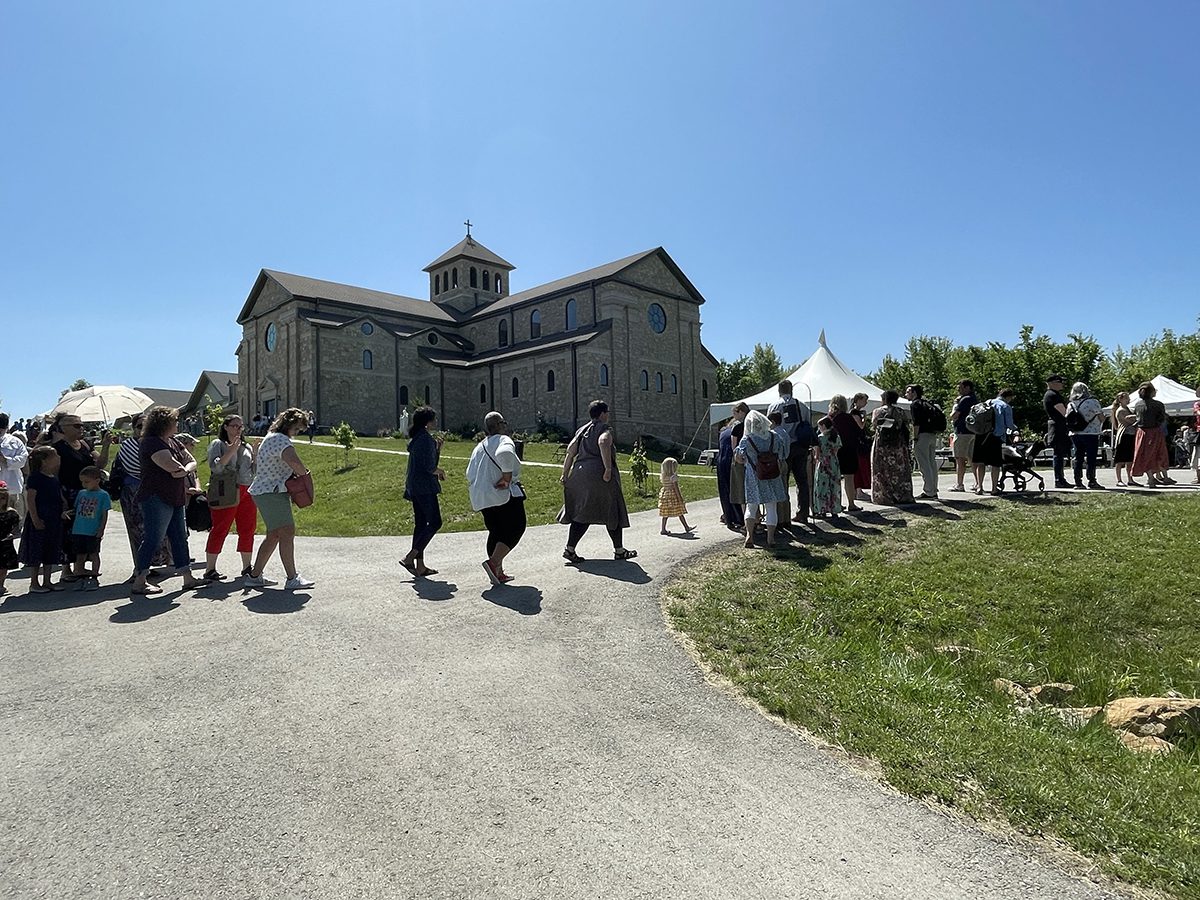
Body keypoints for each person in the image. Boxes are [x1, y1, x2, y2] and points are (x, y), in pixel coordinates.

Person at [130, 406, 203, 596]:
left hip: (175, 495)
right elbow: (172, 466)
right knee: (154, 538)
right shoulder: (150, 443)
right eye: (175, 421)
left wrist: (184, 470)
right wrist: (184, 469)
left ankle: (188, 577)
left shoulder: (173, 442)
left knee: (179, 537)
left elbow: (191, 461)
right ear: (164, 423)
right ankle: (140, 580)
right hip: (156, 497)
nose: (177, 424)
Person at [245, 407, 315, 589]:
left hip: (266, 491)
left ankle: (254, 576)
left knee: (274, 535)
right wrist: (306, 477)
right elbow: (293, 462)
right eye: (297, 429)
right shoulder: (281, 440)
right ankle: (292, 578)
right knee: (287, 531)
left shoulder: (272, 437)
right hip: (272, 492)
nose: (297, 433)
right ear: (290, 425)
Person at [558, 400, 636, 562]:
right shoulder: (604, 428)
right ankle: (619, 550)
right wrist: (607, 468)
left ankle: (570, 549)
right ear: (602, 414)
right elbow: (603, 442)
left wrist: (565, 473)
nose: (608, 415)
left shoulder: (582, 430)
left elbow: (570, 450)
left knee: (583, 512)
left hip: (579, 474)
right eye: (607, 412)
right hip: (598, 474)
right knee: (612, 510)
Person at [466, 411, 525, 585]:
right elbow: (505, 454)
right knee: (516, 527)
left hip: (481, 496)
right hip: (501, 494)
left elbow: (469, 472)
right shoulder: (503, 440)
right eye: (504, 423)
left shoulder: (478, 447)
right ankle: (493, 563)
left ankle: (497, 572)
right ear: (499, 425)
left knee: (496, 531)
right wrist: (506, 477)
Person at [52, 413, 112, 582]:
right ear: (64, 428)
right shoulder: (58, 447)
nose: (81, 428)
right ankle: (66, 568)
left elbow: (99, 465)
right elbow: (55, 474)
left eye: (82, 425)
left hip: (87, 491)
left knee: (86, 528)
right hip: (68, 492)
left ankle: (81, 565)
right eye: (76, 426)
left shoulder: (85, 444)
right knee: (69, 530)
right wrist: (61, 498)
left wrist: (106, 445)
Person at [116, 413, 173, 578]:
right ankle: (139, 570)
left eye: (146, 425)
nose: (143, 429)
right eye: (139, 426)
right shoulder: (128, 445)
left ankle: (148, 565)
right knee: (137, 530)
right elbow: (139, 468)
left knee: (153, 530)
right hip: (133, 491)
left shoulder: (158, 442)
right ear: (133, 429)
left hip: (155, 490)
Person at [204, 414, 258, 581]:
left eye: (241, 426)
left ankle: (247, 567)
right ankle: (210, 569)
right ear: (225, 426)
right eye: (234, 426)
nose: (238, 429)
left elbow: (253, 471)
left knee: (248, 528)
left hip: (247, 490)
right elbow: (216, 468)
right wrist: (230, 452)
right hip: (226, 490)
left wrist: (255, 455)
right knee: (221, 528)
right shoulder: (218, 444)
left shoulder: (246, 446)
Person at [400, 406, 445, 577]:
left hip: (414, 487)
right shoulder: (425, 439)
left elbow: (429, 462)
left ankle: (420, 566)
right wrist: (440, 472)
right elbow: (429, 468)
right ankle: (410, 557)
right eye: (433, 419)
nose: (435, 422)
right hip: (425, 488)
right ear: (427, 422)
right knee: (435, 522)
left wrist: (438, 449)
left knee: (420, 524)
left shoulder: (418, 438)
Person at [735, 410, 788, 548]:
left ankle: (749, 536)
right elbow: (782, 455)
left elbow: (739, 458)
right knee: (771, 507)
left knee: (751, 506)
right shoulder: (774, 437)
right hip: (772, 474)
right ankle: (771, 538)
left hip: (754, 476)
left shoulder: (747, 439)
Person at [20, 446, 67, 593]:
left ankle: (47, 580)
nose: (58, 458)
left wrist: (64, 507)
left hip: (54, 518)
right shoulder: (35, 478)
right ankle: (34, 582)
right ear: (45, 461)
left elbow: (59, 495)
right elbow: (31, 500)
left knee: (51, 549)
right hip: (40, 517)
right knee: (37, 550)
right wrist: (35, 519)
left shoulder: (54, 477)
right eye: (55, 456)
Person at [767, 380, 814, 526]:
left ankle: (783, 515)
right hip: (800, 445)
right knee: (802, 481)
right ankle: (803, 513)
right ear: (791, 390)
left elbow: (770, 426)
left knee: (782, 481)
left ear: (779, 391)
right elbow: (808, 422)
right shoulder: (802, 406)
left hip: (783, 447)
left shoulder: (774, 406)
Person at [869, 391, 914, 506]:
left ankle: (884, 496)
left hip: (882, 445)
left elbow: (874, 426)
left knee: (881, 470)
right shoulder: (901, 411)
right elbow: (905, 427)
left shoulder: (877, 411)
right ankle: (901, 494)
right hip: (898, 445)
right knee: (899, 469)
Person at [71, 465, 111, 589]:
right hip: (78, 529)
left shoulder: (103, 495)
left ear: (97, 481)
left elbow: (104, 514)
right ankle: (80, 575)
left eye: (87, 482)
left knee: (94, 554)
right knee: (80, 555)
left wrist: (101, 529)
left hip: (92, 530)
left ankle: (94, 576)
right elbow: (76, 509)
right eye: (82, 482)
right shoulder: (81, 493)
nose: (84, 484)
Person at [972, 389, 1016, 494]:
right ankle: (994, 489)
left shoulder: (987, 402)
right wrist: (1016, 431)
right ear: (1008, 397)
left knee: (981, 463)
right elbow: (1009, 424)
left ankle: (979, 487)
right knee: (995, 464)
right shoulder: (1005, 406)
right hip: (996, 437)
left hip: (981, 435)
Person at [1130, 381, 1172, 487]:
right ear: (1152, 392)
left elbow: (1138, 418)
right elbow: (1162, 418)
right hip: (1155, 432)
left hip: (1142, 433)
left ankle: (1151, 479)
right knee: (1160, 454)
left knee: (1145, 455)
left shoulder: (1138, 404)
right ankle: (1164, 477)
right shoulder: (1158, 404)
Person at [905, 384, 942, 500]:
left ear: (914, 392)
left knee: (924, 464)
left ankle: (929, 491)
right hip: (932, 435)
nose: (906, 394)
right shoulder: (926, 403)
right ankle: (933, 489)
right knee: (931, 463)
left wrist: (915, 438)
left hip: (922, 436)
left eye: (908, 392)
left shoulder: (915, 404)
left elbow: (916, 423)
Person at [716, 403, 749, 532]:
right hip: (732, 460)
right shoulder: (739, 430)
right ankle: (740, 518)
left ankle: (728, 518)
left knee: (724, 490)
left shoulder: (724, 432)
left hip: (721, 460)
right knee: (736, 490)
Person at [1067, 382, 1105, 490]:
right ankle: (1091, 480)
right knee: (1091, 457)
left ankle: (1078, 481)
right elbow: (1101, 417)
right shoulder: (1093, 402)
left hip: (1075, 433)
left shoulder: (1071, 404)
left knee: (1078, 457)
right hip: (1091, 433)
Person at [828, 394, 863, 512]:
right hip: (849, 450)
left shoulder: (830, 419)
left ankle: (836, 504)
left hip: (835, 451)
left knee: (834, 479)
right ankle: (851, 503)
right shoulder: (849, 418)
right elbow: (858, 432)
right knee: (849, 478)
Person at [1043, 374, 1073, 488]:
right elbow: (1064, 412)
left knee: (1059, 454)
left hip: (1057, 426)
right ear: (1052, 383)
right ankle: (1059, 480)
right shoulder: (1053, 395)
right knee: (1058, 454)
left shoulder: (1051, 394)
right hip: (1058, 427)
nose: (1062, 384)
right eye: (1059, 382)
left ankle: (1060, 479)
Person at [949, 380, 979, 493]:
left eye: (961, 388)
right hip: (972, 432)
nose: (959, 390)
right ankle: (977, 483)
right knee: (972, 458)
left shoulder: (965, 400)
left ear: (967, 388)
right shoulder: (974, 399)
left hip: (962, 432)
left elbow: (954, 416)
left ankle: (959, 484)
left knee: (960, 458)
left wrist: (955, 405)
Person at [0, 413, 30, 521]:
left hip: (10, 486)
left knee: (10, 518)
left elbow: (23, 459)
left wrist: (6, 460)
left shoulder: (15, 442)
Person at [812, 416, 843, 518]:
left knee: (822, 487)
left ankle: (822, 509)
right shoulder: (836, 437)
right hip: (833, 462)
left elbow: (817, 454)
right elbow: (836, 451)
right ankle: (834, 509)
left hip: (823, 463)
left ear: (824, 426)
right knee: (834, 486)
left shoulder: (820, 438)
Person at [657, 457, 693, 535]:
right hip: (673, 495)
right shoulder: (673, 477)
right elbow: (676, 488)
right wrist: (680, 498)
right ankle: (686, 527)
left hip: (665, 494)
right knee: (680, 512)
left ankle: (663, 529)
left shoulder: (663, 476)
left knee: (665, 513)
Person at [1109, 392, 1138, 486]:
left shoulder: (1128, 409)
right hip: (1123, 436)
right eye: (1126, 398)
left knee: (1129, 460)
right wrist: (1136, 417)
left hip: (1131, 435)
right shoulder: (1120, 410)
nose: (1128, 400)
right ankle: (1119, 480)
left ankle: (1130, 479)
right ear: (1120, 400)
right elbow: (1129, 421)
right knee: (1120, 460)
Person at [0, 482, 20, 596]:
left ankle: (1, 584)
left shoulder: (11, 513)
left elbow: (16, 529)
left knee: (4, 567)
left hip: (5, 543)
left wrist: (13, 534)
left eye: (2, 498)